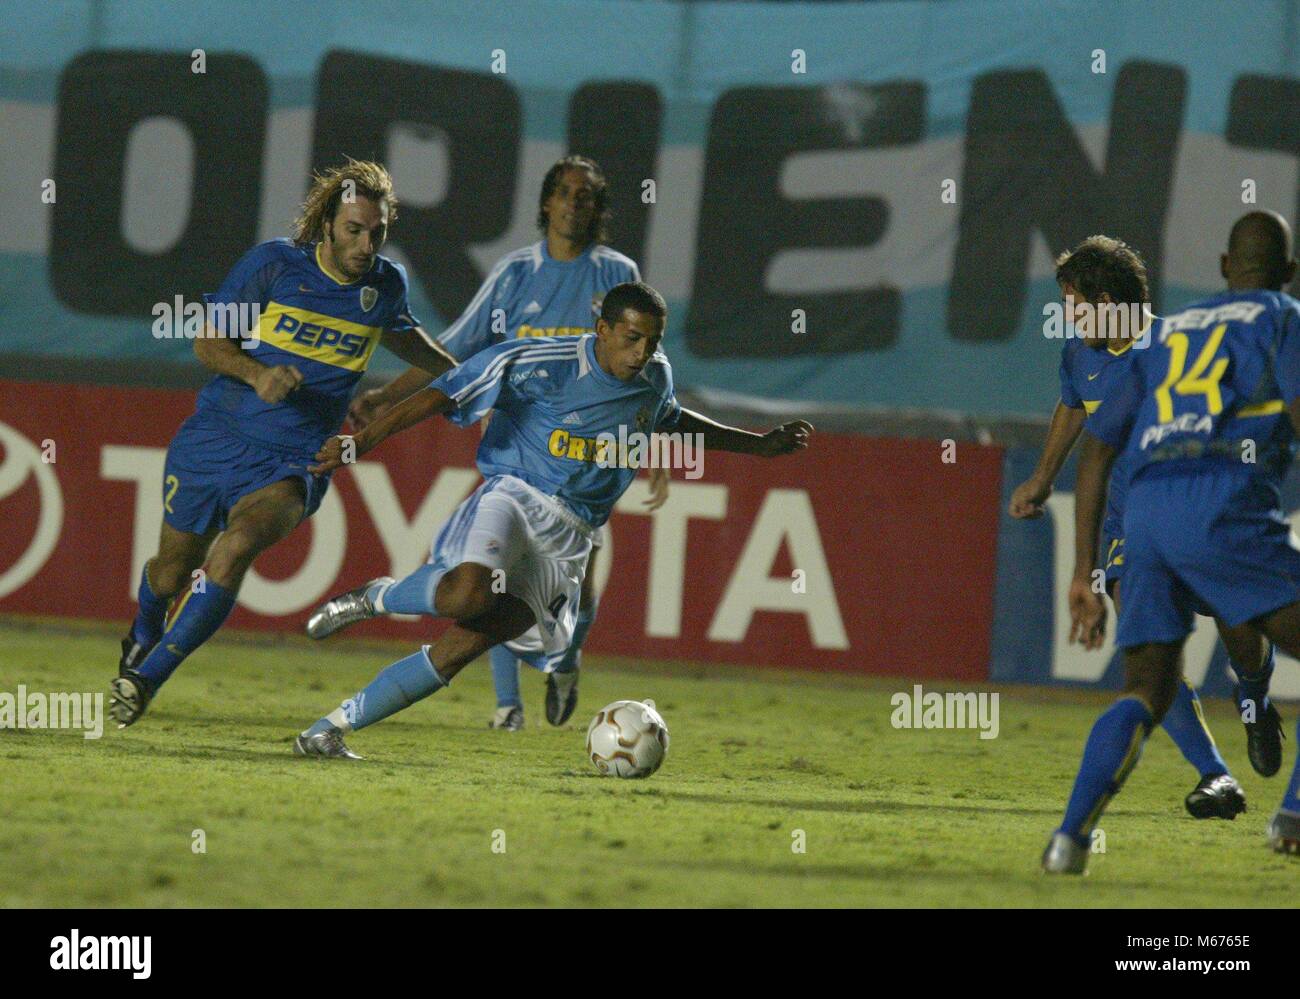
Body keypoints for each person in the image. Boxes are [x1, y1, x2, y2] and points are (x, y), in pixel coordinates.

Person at [293, 282, 812, 759]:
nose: (643, 353)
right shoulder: (538, 361)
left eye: (652, 342)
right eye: (632, 338)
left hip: (573, 540)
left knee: (459, 650)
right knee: (467, 595)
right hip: (516, 497)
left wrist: (757, 446)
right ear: (602, 329)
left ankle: (326, 730)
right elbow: (444, 392)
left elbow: (669, 417)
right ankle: (376, 597)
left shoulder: (654, 376)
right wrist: (361, 442)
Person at [110, 160, 457, 728]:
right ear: (326, 223)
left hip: (296, 460)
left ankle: (146, 680)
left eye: (378, 232)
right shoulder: (272, 267)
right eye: (354, 230)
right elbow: (208, 343)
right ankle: (144, 632)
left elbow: (431, 361)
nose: (366, 244)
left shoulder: (384, 287)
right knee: (172, 573)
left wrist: (405, 393)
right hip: (215, 440)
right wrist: (256, 375)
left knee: (238, 544)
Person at [352, 154, 669, 732]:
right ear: (546, 202)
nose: (576, 202)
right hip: (517, 453)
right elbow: (455, 347)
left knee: (577, 584)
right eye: (566, 192)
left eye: (588, 195)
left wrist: (661, 447)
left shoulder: (614, 272)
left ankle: (565, 661)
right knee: (497, 566)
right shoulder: (515, 274)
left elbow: (650, 366)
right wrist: (385, 395)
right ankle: (507, 706)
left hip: (583, 461)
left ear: (598, 210)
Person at [1044, 212, 1300, 872]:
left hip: (1150, 514)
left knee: (1149, 684)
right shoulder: (1281, 318)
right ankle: (1281, 806)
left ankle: (1068, 840)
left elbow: (1097, 451)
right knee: (1249, 623)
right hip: (1215, 505)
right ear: (1289, 275)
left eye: (1076, 307)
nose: (1070, 321)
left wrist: (1081, 572)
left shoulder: (1175, 330)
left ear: (1222, 267)